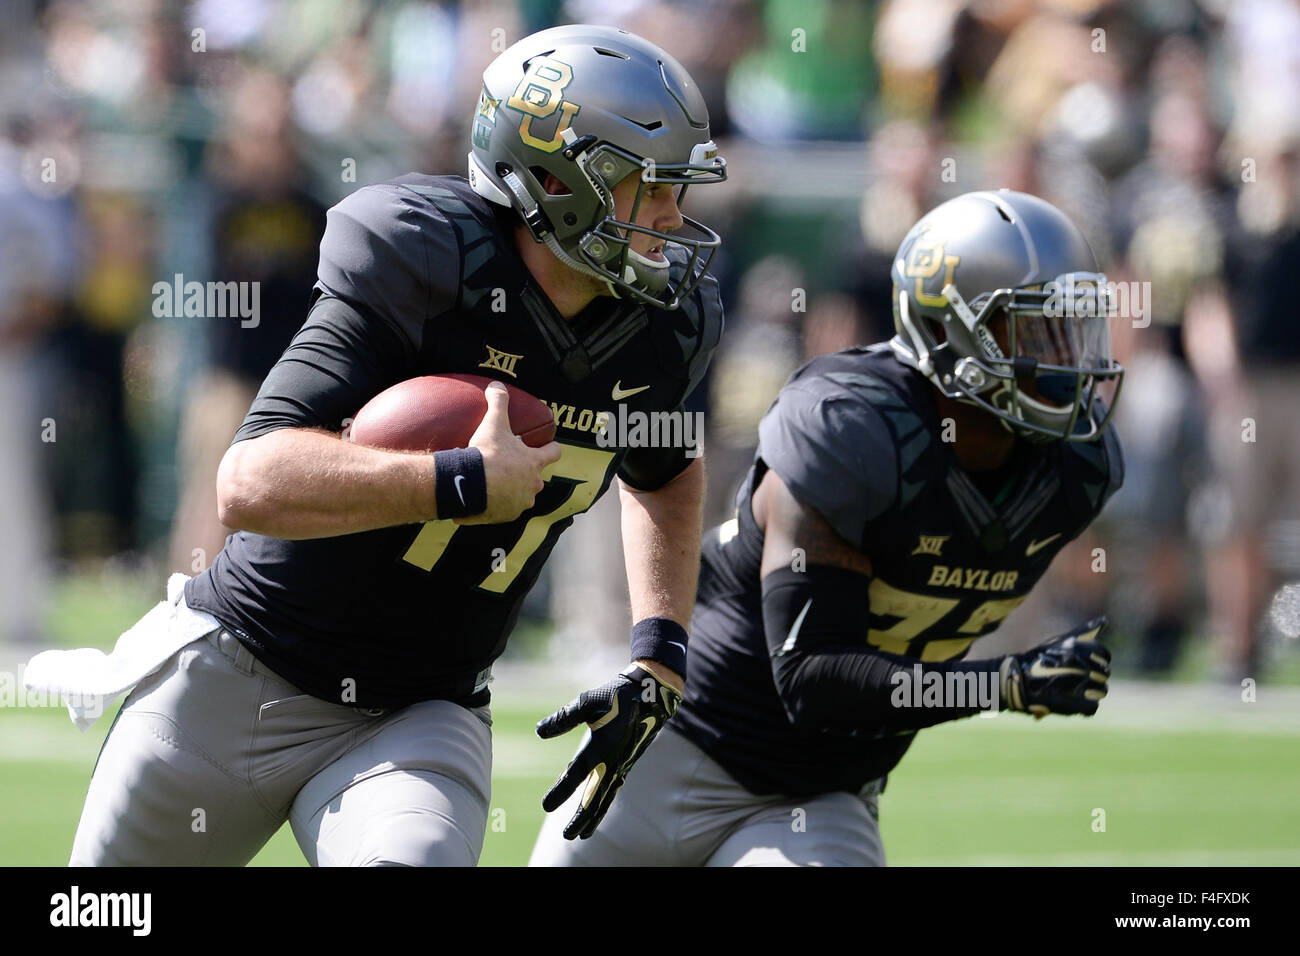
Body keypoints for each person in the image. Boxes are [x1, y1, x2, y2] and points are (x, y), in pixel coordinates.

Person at [31, 24, 728, 866]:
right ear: (557, 181)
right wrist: (460, 483)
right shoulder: (433, 261)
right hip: (239, 673)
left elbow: (664, 474)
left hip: (417, 714)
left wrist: (660, 657)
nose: (673, 217)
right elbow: (250, 482)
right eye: (649, 186)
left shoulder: (666, 326)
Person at [531, 189, 1124, 867]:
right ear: (954, 332)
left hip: (823, 796)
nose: (1070, 362)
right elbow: (813, 679)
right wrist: (1002, 683)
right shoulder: (853, 430)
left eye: (1076, 330)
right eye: (1039, 334)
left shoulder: (1076, 469)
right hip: (678, 752)